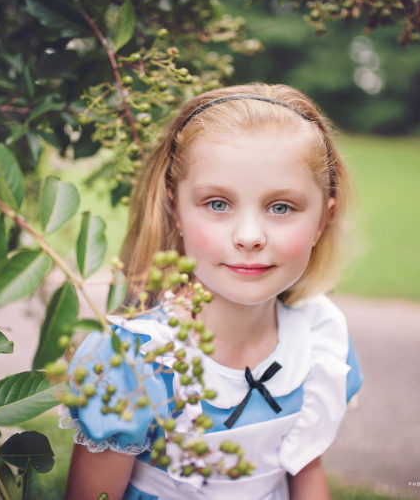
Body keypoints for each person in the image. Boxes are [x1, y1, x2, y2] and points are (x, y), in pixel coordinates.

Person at [62, 83, 363, 500]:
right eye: (218, 204)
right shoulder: (132, 359)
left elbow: (306, 467)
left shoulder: (320, 339)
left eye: (281, 207)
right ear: (176, 210)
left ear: (322, 221)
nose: (250, 236)